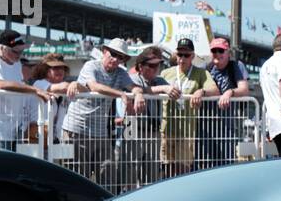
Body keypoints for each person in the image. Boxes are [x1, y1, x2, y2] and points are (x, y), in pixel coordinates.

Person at [62, 37, 144, 182]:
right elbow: (94, 86)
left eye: (120, 57)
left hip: (100, 132)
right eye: (113, 54)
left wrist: (138, 94)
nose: (116, 59)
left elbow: (134, 87)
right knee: (77, 179)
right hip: (76, 130)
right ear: (104, 51)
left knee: (108, 176)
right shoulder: (91, 65)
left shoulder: (121, 73)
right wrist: (121, 94)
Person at [159, 39, 218, 176]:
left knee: (183, 172)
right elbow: (152, 89)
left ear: (192, 56)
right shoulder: (166, 73)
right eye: (180, 54)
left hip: (187, 132)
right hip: (166, 129)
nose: (182, 58)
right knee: (167, 171)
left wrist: (201, 91)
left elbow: (215, 90)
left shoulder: (201, 73)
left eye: (186, 55)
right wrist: (164, 88)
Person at [123, 47, 181, 187]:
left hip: (153, 131)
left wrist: (171, 88)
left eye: (158, 65)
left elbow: (175, 92)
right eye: (151, 65)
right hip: (132, 128)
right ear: (141, 66)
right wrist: (164, 88)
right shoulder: (132, 78)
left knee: (152, 175)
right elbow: (138, 89)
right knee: (130, 173)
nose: (155, 69)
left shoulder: (160, 80)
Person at [201, 35, 251, 168]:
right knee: (204, 166)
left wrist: (229, 92)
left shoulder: (236, 66)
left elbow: (244, 90)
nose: (217, 53)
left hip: (227, 126)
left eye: (221, 50)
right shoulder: (205, 68)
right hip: (205, 126)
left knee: (226, 165)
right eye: (214, 50)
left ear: (228, 52)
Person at [0, 30, 50, 149]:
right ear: (2, 48)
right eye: (15, 51)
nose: (19, 55)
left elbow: (19, 85)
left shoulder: (17, 64)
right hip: (1, 131)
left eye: (21, 51)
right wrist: (34, 90)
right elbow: (1, 84)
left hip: (16, 128)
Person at [32, 54, 75, 149]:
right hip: (38, 136)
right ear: (46, 70)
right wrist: (74, 84)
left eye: (62, 68)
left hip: (56, 139)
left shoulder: (64, 88)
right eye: (55, 68)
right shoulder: (39, 83)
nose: (60, 70)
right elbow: (64, 87)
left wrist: (75, 85)